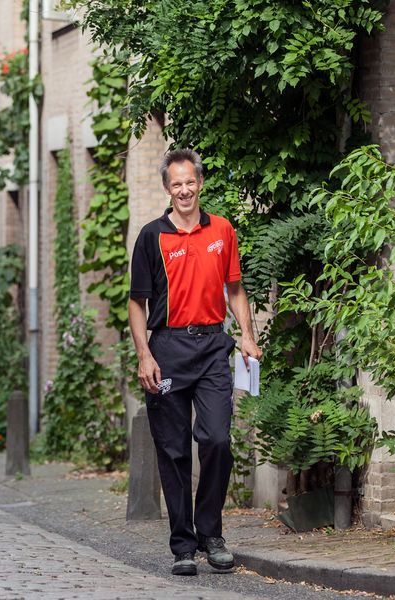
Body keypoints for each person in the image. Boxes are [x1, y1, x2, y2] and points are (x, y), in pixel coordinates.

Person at [128, 148, 262, 576]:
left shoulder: (222, 229)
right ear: (167, 189)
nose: (184, 190)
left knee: (217, 440)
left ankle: (211, 533)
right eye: (176, 184)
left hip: (211, 349)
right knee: (173, 451)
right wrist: (144, 354)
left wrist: (247, 335)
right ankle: (184, 545)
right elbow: (136, 303)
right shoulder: (152, 236)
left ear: (199, 183)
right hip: (166, 350)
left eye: (190, 182)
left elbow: (235, 288)